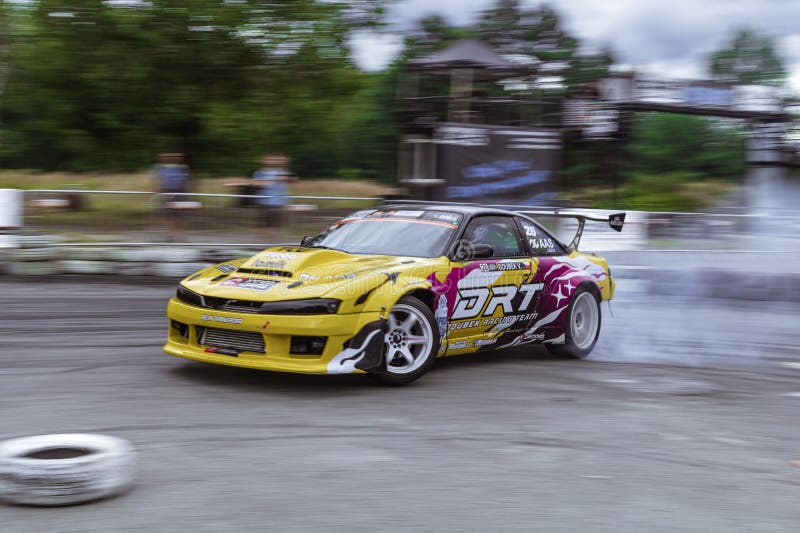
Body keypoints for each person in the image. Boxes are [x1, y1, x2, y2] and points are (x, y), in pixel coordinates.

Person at [252, 154, 294, 235]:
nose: (272, 161)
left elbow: (292, 182)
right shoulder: (260, 172)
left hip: (280, 203)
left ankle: (274, 242)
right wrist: (276, 180)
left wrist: (288, 203)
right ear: (263, 161)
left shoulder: (284, 172)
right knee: (267, 227)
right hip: (265, 203)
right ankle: (261, 242)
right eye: (269, 160)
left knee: (279, 226)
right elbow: (256, 184)